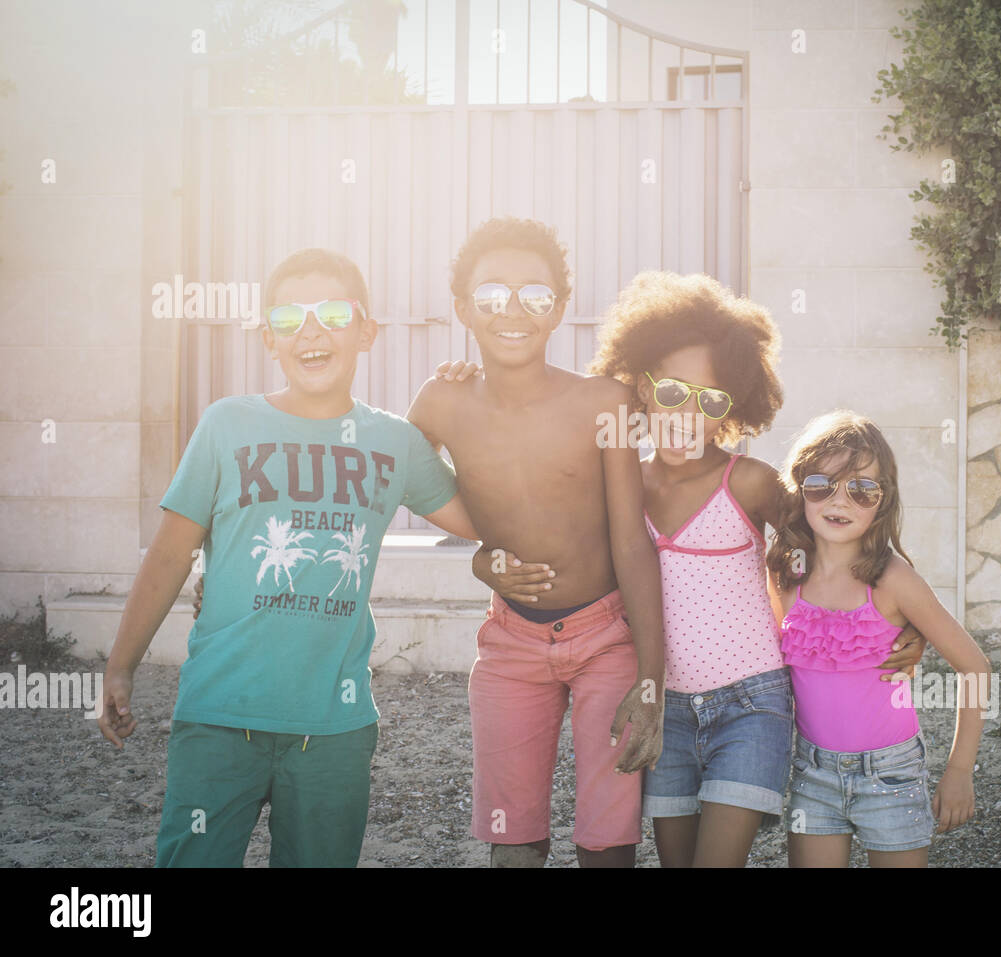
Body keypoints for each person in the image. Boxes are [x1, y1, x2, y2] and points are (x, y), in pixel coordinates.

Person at [99, 248, 478, 867]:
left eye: (331, 312)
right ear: (269, 340)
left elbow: (480, 519)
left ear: (366, 331)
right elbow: (169, 555)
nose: (310, 330)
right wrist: (121, 665)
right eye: (288, 318)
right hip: (219, 714)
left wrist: (467, 410)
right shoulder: (226, 425)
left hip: (334, 726)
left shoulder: (394, 441)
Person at [588, 272, 928, 866]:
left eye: (710, 399)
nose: (686, 413)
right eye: (671, 392)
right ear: (642, 389)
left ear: (733, 407)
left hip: (752, 704)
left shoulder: (747, 481)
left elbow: (833, 547)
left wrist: (903, 619)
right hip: (663, 705)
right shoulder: (625, 483)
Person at [406, 217, 665, 868]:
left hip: (607, 635)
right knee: (511, 830)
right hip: (511, 640)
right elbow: (396, 480)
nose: (512, 311)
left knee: (608, 831)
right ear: (464, 309)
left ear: (561, 310)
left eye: (535, 296)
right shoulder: (442, 400)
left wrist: (653, 676)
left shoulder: (603, 401)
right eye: (491, 297)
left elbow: (632, 540)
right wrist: (481, 551)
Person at [768, 410, 991, 867]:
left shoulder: (893, 580)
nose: (840, 500)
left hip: (891, 775)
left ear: (882, 501)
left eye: (862, 489)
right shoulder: (785, 577)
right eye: (821, 484)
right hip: (813, 773)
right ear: (800, 491)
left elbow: (975, 668)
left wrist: (959, 770)